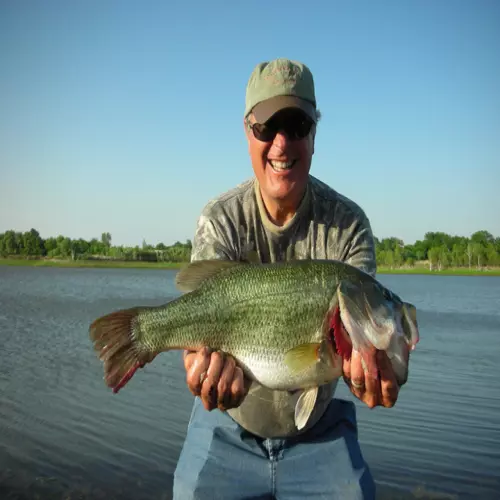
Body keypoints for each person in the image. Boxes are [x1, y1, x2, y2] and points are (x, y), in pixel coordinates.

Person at [173, 58, 408, 500]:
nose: (282, 143)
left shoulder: (348, 224)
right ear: (248, 134)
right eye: (267, 128)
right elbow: (196, 331)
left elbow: (368, 338)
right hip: (227, 425)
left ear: (314, 136)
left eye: (297, 124)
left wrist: (384, 366)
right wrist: (199, 370)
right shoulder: (221, 219)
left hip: (320, 430)